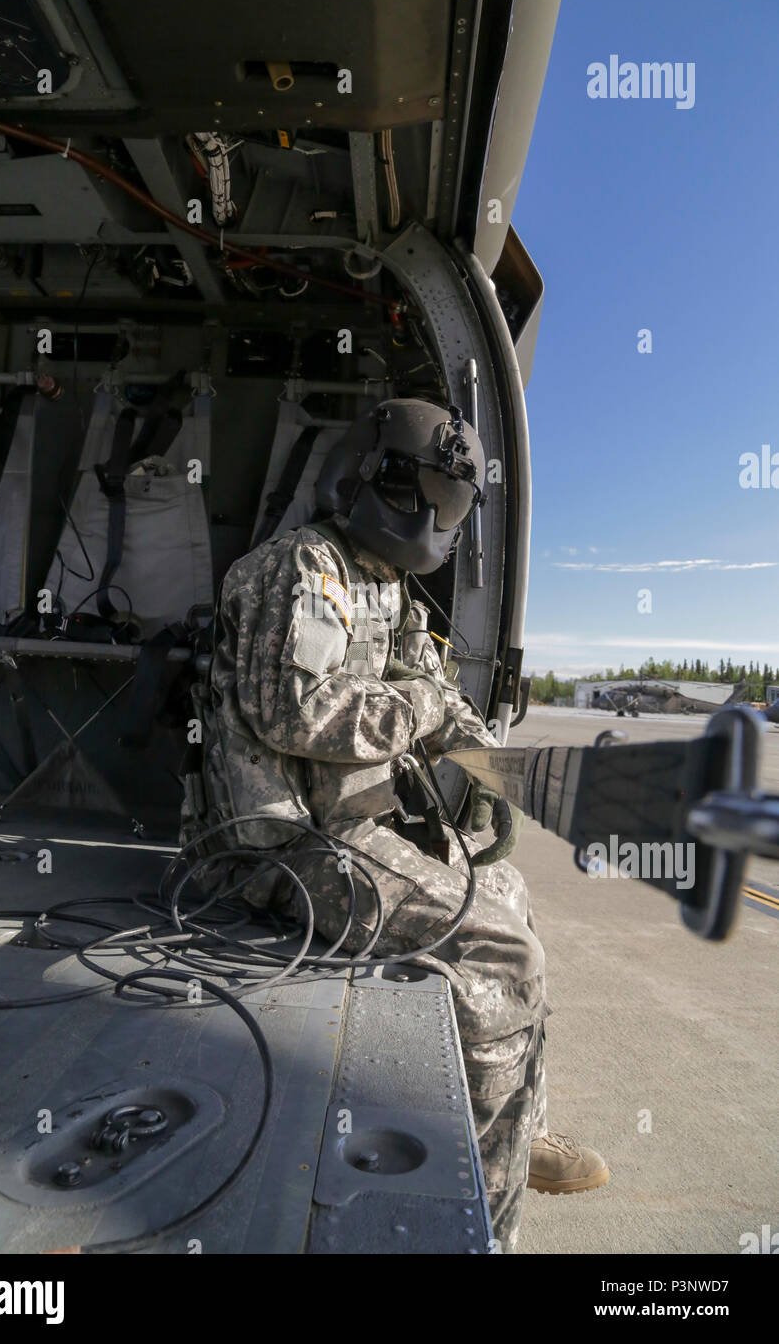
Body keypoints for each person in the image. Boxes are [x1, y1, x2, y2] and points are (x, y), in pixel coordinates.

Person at [186, 398, 608, 1251]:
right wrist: (419, 710)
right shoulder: (302, 566)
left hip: (350, 832)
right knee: (500, 948)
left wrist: (487, 767)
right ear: (384, 482)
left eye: (454, 510)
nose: (441, 524)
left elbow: (438, 691)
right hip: (285, 849)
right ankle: (489, 1214)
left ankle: (516, 1129)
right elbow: (295, 711)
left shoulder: (383, 584)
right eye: (436, 502)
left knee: (510, 893)